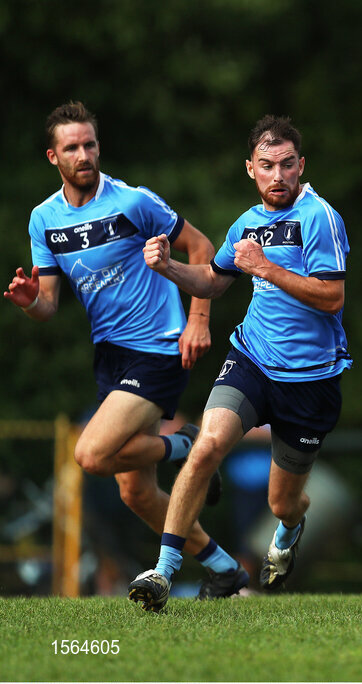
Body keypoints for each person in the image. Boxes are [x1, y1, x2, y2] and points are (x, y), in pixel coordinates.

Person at [4, 101, 244, 599]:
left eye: (89, 144)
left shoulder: (133, 202)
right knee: (136, 492)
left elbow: (203, 249)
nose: (84, 155)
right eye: (72, 147)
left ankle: (188, 447)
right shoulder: (43, 219)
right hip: (110, 356)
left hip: (157, 347)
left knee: (91, 454)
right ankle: (223, 568)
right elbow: (48, 305)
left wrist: (197, 320)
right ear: (53, 156)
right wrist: (30, 303)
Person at [127, 115, 351, 612]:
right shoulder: (245, 223)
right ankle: (163, 572)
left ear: (301, 166)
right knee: (206, 445)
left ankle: (289, 529)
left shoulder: (320, 217)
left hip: (310, 380)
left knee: (282, 502)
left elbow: (331, 297)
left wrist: (265, 267)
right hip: (251, 358)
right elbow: (212, 280)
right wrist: (168, 267)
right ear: (251, 168)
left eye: (287, 165)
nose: (278, 175)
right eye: (267, 165)